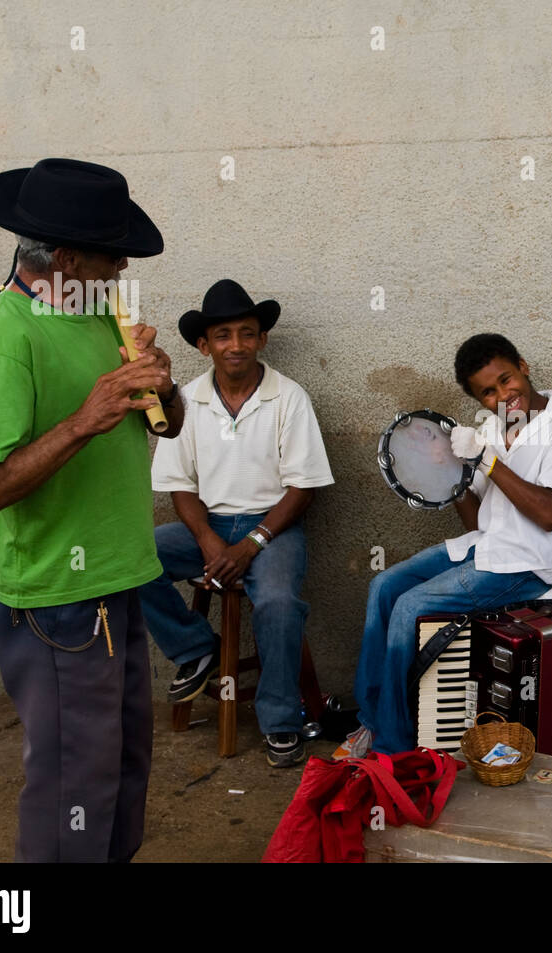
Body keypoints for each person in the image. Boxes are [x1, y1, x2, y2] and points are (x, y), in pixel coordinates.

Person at [0, 158, 183, 862]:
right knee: (71, 794)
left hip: (116, 578)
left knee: (119, 773)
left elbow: (162, 425)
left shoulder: (96, 315)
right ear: (64, 257)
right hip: (57, 598)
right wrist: (86, 417)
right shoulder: (4, 336)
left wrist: (161, 388)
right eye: (110, 255)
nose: (121, 266)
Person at [336, 333, 552, 758]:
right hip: (485, 546)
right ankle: (372, 722)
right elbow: (479, 519)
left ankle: (392, 748)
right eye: (488, 392)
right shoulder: (495, 425)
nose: (503, 396)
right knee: (384, 586)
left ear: (524, 365)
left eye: (507, 380)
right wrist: (453, 477)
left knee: (410, 606)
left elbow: (550, 515)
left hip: (529, 563)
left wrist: (488, 461)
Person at [138, 279, 334, 768]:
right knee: (132, 556)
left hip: (273, 528)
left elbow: (304, 486)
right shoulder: (187, 399)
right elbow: (179, 485)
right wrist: (207, 541)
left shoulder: (288, 397)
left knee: (278, 601)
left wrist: (251, 544)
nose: (237, 345)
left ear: (262, 340)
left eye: (247, 333)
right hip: (207, 525)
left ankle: (281, 722)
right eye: (223, 335)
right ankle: (197, 649)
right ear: (204, 346)